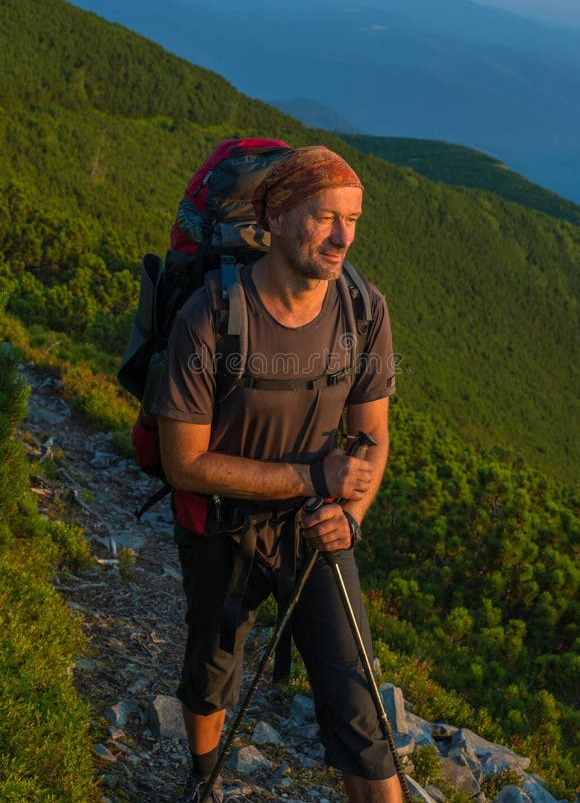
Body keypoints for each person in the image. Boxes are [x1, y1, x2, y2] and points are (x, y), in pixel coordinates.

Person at [154, 145, 401, 802]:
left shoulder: (362, 309)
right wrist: (311, 480)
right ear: (280, 217)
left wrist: (349, 512)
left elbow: (371, 435)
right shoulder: (208, 316)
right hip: (219, 526)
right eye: (325, 217)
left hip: (318, 532)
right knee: (212, 668)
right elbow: (185, 464)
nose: (342, 237)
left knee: (359, 708)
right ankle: (202, 780)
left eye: (352, 220)